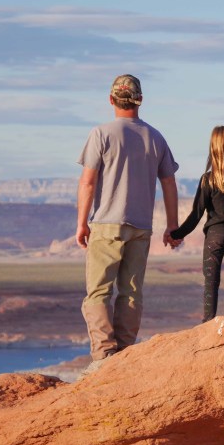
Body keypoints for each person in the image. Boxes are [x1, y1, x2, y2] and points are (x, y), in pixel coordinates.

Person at [76, 74, 179, 372]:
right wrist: (172, 225)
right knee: (131, 292)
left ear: (111, 100)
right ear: (140, 100)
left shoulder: (101, 134)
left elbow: (88, 183)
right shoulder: (155, 137)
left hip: (106, 224)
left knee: (98, 292)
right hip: (141, 226)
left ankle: (103, 356)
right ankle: (123, 353)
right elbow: (169, 183)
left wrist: (82, 223)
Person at [170, 126, 224, 323]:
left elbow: (196, 214)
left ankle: (207, 323)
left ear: (213, 148)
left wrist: (176, 235)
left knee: (211, 284)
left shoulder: (208, 179)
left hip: (215, 236)